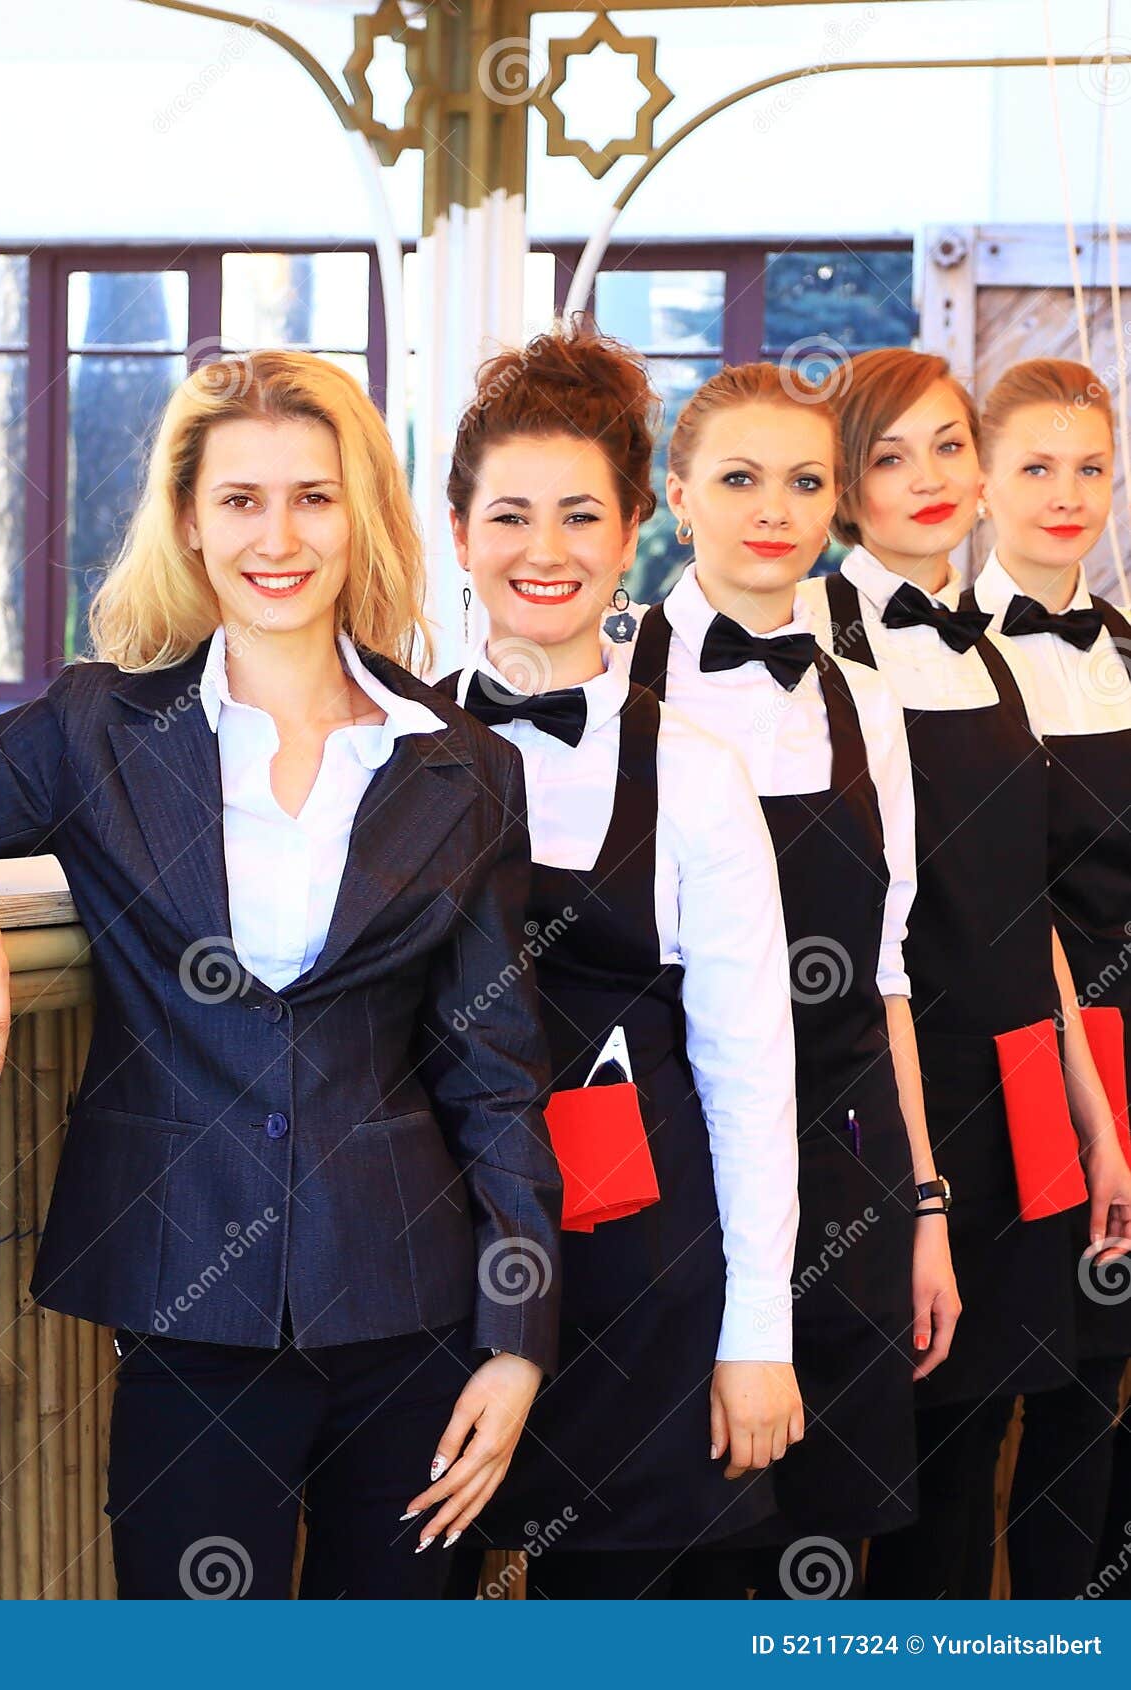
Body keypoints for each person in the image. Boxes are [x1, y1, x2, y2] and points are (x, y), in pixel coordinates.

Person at [0, 350, 564, 1599]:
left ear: (360, 513)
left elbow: (496, 1073)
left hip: (414, 1313)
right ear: (191, 522)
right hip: (187, 1303)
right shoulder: (99, 729)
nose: (279, 537)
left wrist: (517, 1340)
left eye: (313, 498)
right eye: (241, 500)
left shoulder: (463, 763)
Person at [439, 319, 804, 1600]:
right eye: (511, 515)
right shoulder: (384, 744)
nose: (545, 550)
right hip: (431, 1266)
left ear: (637, 523)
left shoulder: (699, 774)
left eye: (581, 515)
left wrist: (758, 1334)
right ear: (458, 528)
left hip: (643, 1273)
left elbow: (750, 1073)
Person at [622, 362, 956, 1599]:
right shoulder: (613, 683)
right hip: (667, 1179)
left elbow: (887, 975)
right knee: (660, 1559)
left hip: (846, 1174)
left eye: (806, 482)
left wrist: (924, 1206)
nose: (776, 509)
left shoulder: (868, 701)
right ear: (676, 496)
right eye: (740, 478)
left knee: (817, 1562)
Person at [800, 347, 1129, 1599]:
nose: (930, 477)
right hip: (877, 1087)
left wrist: (1093, 1119)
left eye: (947, 446)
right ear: (846, 487)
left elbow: (1026, 908)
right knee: (890, 1459)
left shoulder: (984, 652)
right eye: (892, 456)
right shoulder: (811, 636)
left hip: (1022, 1075)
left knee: (1030, 1411)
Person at [963, 356, 1131, 1597]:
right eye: (1035, 467)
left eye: (1090, 468)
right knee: (999, 1376)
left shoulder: (1127, 650)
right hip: (1012, 1050)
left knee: (1107, 1377)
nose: (1066, 494)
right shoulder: (938, 659)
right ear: (980, 481)